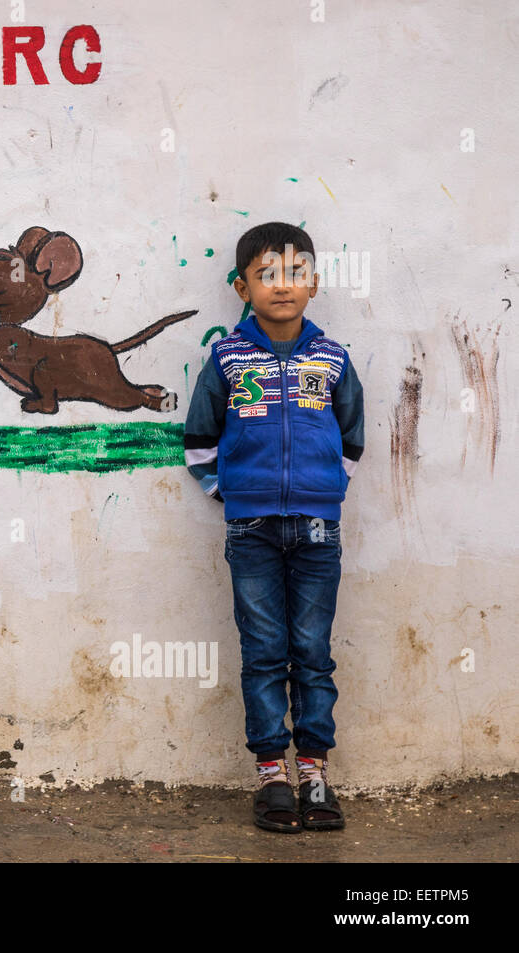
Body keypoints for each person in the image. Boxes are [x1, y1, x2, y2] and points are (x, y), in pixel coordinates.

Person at [184, 222, 364, 832]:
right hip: (251, 528)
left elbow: (352, 435)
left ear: (312, 283)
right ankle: (273, 778)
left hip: (317, 528)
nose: (281, 286)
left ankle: (314, 773)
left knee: (312, 653)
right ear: (242, 285)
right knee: (264, 653)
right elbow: (199, 438)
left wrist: (325, 488)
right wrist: (227, 492)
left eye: (293, 273)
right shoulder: (227, 358)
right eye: (266, 274)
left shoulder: (333, 358)